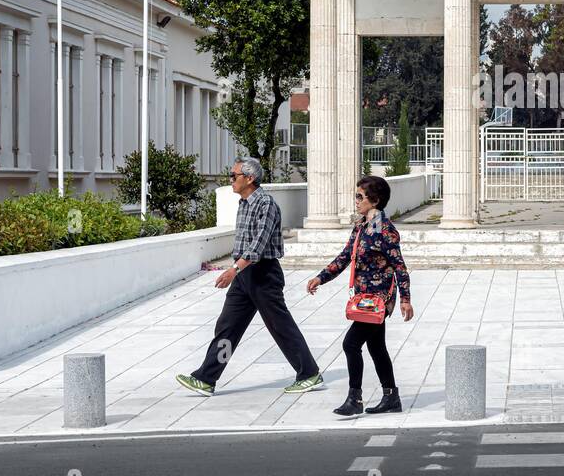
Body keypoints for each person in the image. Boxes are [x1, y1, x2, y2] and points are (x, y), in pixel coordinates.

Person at [176, 158, 324, 397]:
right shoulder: (244, 203)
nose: (231, 180)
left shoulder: (265, 204)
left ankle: (309, 373)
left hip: (264, 274)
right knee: (227, 327)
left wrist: (233, 269)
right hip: (245, 275)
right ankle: (206, 378)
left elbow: (257, 246)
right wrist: (237, 271)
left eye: (234, 176)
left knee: (281, 326)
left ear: (250, 178)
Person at [307, 175, 413, 416]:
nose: (356, 201)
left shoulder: (386, 230)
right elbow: (345, 257)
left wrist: (405, 299)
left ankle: (355, 398)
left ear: (374, 200)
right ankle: (391, 397)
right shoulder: (361, 226)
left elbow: (400, 266)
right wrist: (320, 278)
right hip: (364, 298)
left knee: (351, 344)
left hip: (376, 301)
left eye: (359, 196)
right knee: (377, 348)